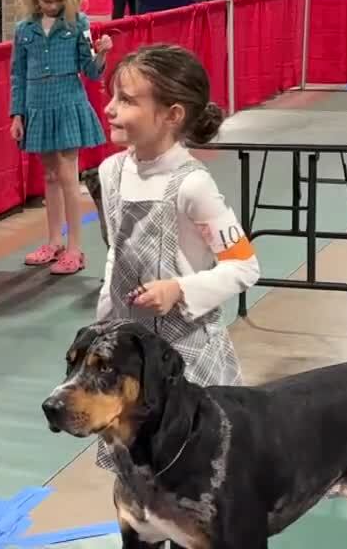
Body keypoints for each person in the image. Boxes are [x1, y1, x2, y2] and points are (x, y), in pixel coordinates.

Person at [92, 43, 260, 472]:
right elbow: (117, 252)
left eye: (127, 100)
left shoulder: (194, 186)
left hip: (188, 356)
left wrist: (180, 289)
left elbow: (244, 265)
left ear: (172, 115)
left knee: (195, 475)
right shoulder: (111, 173)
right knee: (138, 474)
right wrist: (104, 319)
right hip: (131, 360)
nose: (110, 108)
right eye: (113, 96)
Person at [9, 0, 113, 275]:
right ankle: (53, 241)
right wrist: (17, 114)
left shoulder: (77, 24)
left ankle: (75, 248)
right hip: (37, 108)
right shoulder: (23, 30)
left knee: (69, 177)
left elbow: (91, 72)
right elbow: (17, 74)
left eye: (57, 1)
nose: (53, 6)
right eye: (46, 1)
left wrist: (103, 52)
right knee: (50, 177)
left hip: (68, 103)